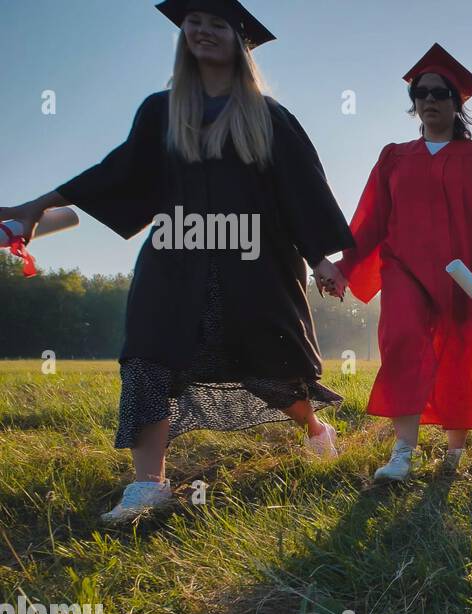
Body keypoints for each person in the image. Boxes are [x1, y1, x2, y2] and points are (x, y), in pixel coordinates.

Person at [1, 0, 355, 523]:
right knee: (148, 358)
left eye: (218, 23)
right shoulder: (160, 110)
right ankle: (149, 485)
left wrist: (320, 256)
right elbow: (117, 173)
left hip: (252, 260)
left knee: (271, 368)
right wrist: (36, 207)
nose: (204, 30)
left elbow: (300, 187)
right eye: (195, 21)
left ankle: (315, 429)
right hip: (174, 258)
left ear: (240, 41)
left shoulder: (268, 116)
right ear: (182, 31)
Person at [317, 44, 472, 482]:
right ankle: (403, 449)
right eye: (422, 93)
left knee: (461, 353)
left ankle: (455, 451)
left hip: (464, 274)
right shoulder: (394, 156)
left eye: (441, 93)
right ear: (413, 103)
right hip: (405, 269)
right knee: (401, 341)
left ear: (457, 103)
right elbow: (369, 221)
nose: (431, 100)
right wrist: (345, 267)